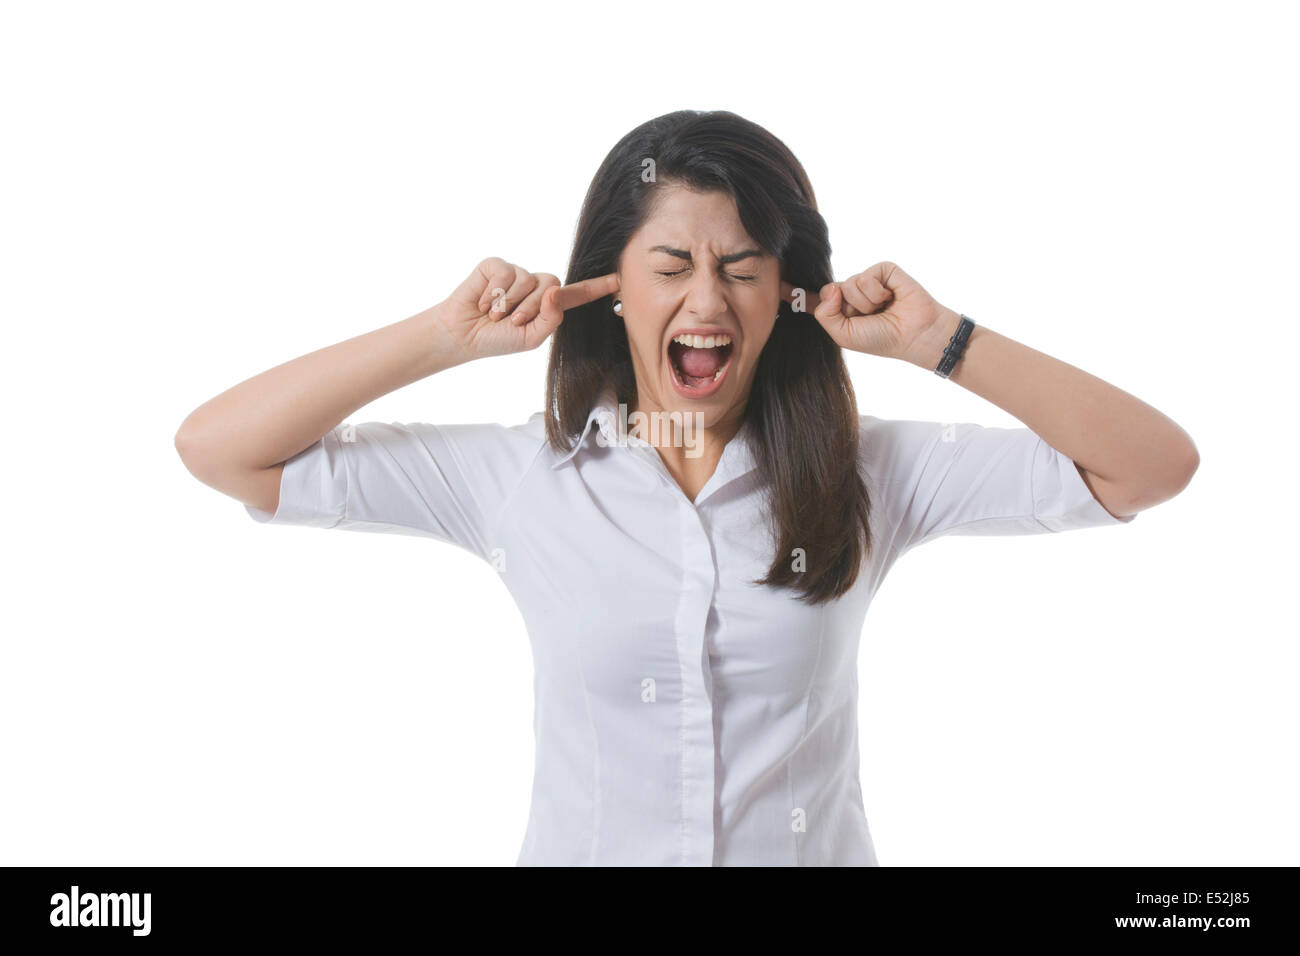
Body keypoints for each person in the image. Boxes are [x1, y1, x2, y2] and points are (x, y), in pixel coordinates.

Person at [174, 110, 1198, 866]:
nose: (706, 298)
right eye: (670, 263)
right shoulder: (521, 479)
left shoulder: (867, 470)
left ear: (785, 295)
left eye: (742, 266)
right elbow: (223, 448)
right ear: (610, 288)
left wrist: (938, 341)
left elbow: (1151, 466)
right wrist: (444, 337)